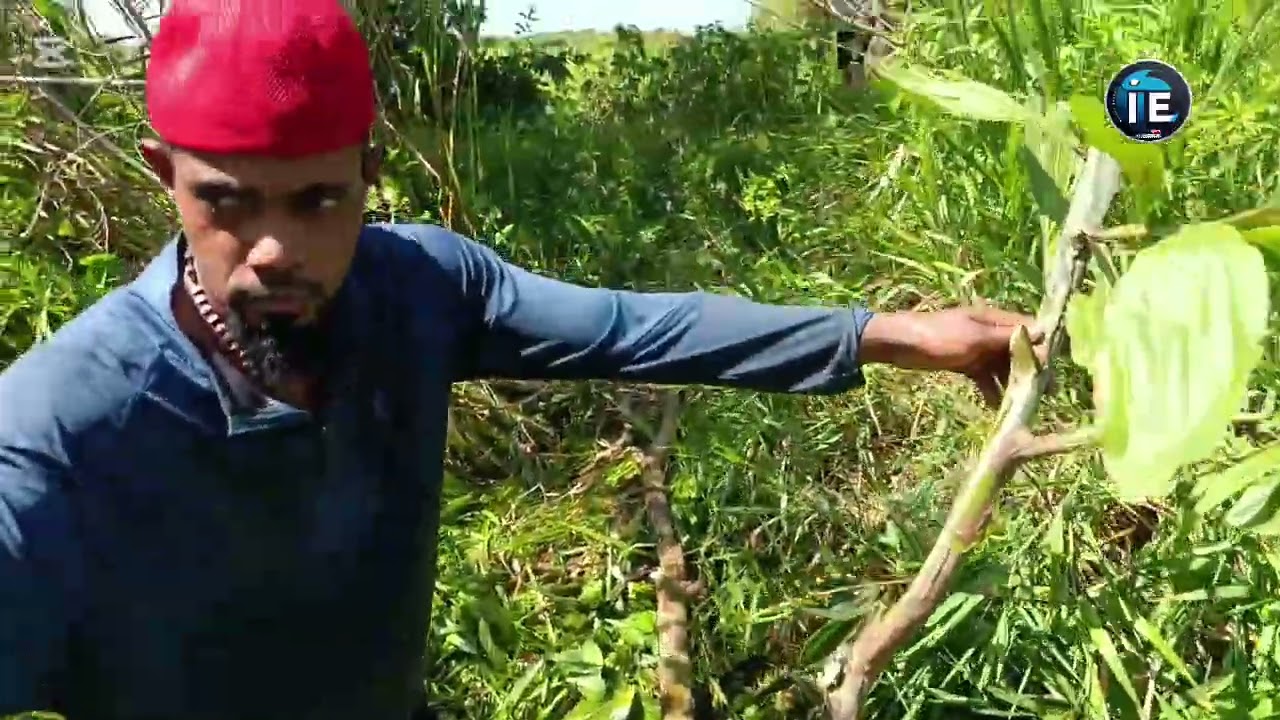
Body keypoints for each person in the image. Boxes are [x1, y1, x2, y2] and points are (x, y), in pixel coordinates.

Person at [0, 1, 1042, 718]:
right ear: (162, 176)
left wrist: (893, 334)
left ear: (368, 174)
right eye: (225, 202)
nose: (274, 249)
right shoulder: (63, 428)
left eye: (319, 199)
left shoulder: (420, 288)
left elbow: (634, 326)